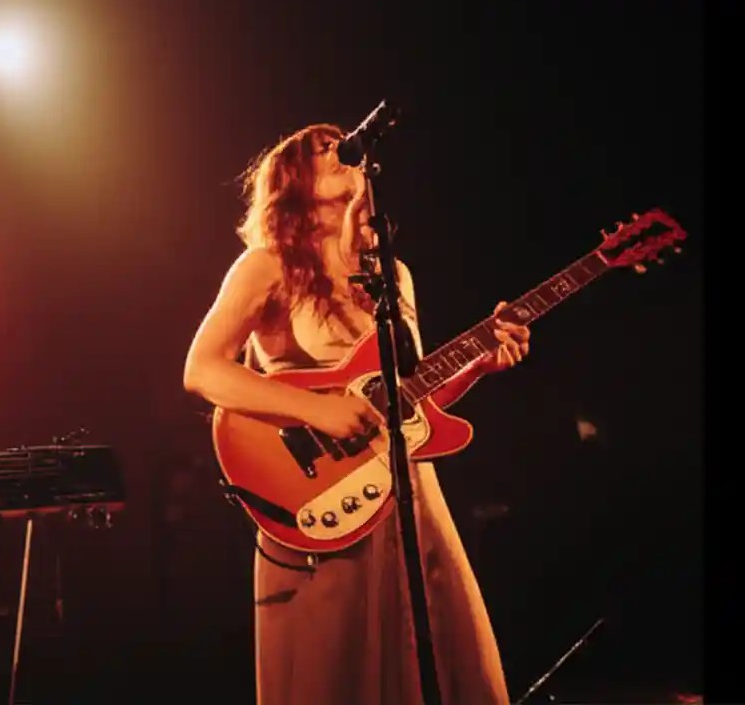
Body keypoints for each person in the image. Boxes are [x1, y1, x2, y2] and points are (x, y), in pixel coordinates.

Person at [182, 124, 530, 704]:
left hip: (409, 493)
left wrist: (478, 366)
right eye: (325, 148)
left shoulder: (392, 274)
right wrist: (316, 408)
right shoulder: (266, 265)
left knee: (439, 661)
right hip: (319, 496)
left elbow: (409, 397)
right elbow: (203, 370)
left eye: (344, 144)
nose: (344, 148)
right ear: (292, 179)